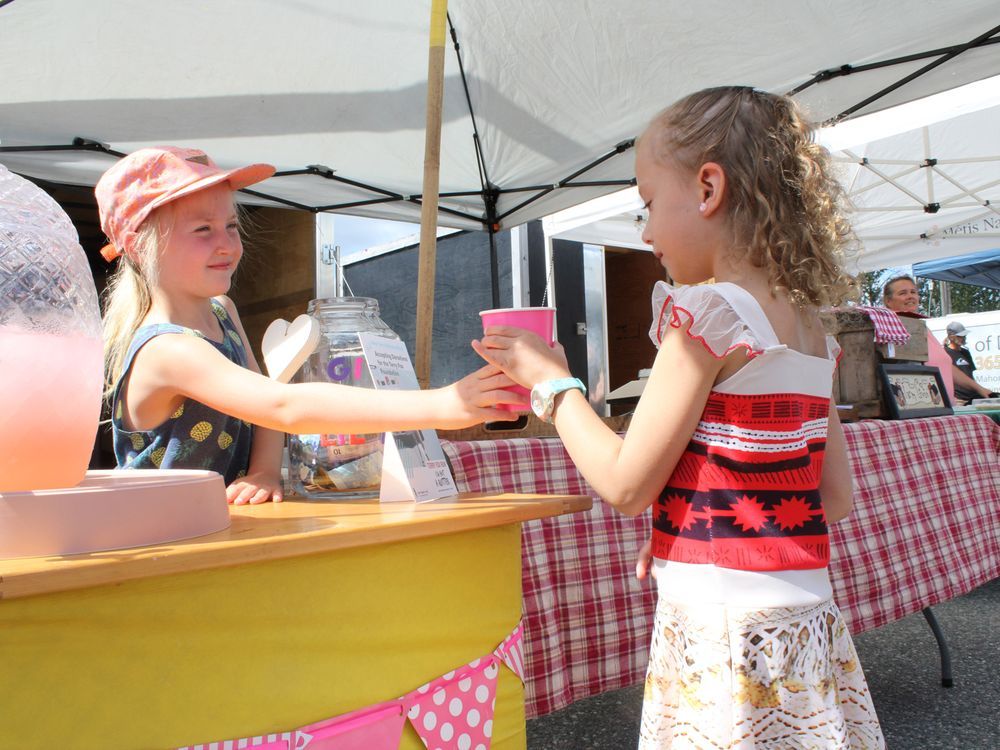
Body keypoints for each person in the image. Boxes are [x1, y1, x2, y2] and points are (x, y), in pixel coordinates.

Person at [475, 86, 884, 748]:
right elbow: (830, 497)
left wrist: (553, 385)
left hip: (724, 632)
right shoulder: (813, 331)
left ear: (707, 189)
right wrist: (691, 523)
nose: (644, 231)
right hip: (804, 626)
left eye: (647, 203)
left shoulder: (708, 315)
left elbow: (625, 483)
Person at [98, 146, 519, 505]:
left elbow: (268, 403)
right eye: (202, 230)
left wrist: (263, 473)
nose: (226, 244)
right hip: (159, 543)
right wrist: (444, 405)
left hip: (218, 529)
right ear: (139, 244)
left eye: (230, 226)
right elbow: (284, 406)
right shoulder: (165, 349)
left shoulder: (222, 310)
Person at [882, 275, 997, 403]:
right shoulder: (891, 329)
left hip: (944, 406)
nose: (910, 296)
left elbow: (945, 365)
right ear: (888, 301)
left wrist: (979, 388)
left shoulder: (922, 328)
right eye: (903, 293)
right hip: (922, 408)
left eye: (913, 292)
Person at [942, 320, 996, 404]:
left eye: (964, 335)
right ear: (951, 337)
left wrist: (978, 389)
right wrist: (952, 398)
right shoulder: (945, 353)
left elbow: (970, 375)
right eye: (960, 336)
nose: (964, 338)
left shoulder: (965, 352)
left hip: (972, 397)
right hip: (959, 399)